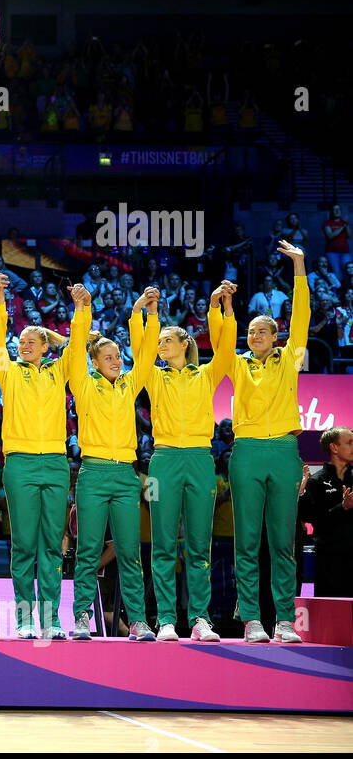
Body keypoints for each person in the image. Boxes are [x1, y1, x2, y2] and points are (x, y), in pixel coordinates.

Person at [210, 240, 309, 643]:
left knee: (283, 540)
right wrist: (221, 307)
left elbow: (301, 316)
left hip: (285, 450)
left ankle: (284, 619)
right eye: (250, 332)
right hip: (247, 452)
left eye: (262, 331)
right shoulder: (238, 362)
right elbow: (220, 340)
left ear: (275, 335)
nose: (254, 336)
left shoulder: (290, 359)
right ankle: (251, 618)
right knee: (247, 539)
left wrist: (299, 266)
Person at [0, 273, 87, 639]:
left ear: (45, 347)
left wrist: (79, 309)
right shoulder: (8, 372)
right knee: (24, 543)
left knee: (52, 544)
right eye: (21, 340)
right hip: (20, 465)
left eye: (31, 341)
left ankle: (52, 618)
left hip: (57, 464)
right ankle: (26, 617)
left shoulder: (60, 372)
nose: (23, 344)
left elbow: (76, 348)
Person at [66, 286, 160, 641]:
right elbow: (75, 351)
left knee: (129, 551)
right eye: (108, 357)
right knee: (88, 551)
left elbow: (148, 353)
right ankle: (79, 617)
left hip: (125, 474)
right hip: (93, 473)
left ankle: (137, 620)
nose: (117, 360)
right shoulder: (83, 384)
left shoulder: (129, 384)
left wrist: (144, 313)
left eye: (119, 355)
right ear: (94, 362)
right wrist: (82, 310)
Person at [146, 282, 238, 642]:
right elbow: (140, 350)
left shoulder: (206, 374)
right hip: (164, 460)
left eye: (167, 340)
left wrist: (220, 309)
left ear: (185, 344)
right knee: (164, 544)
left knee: (200, 545)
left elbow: (227, 349)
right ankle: (166, 619)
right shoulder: (152, 375)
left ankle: (200, 618)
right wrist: (151, 314)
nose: (161, 346)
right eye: (159, 341)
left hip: (201, 459)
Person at [299, 426, 353, 598]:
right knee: (331, 615)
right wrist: (342, 507)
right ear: (334, 448)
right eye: (349, 443)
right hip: (330, 560)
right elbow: (312, 519)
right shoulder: (317, 481)